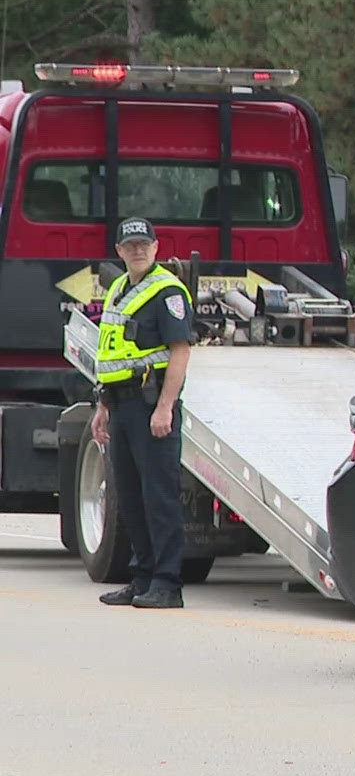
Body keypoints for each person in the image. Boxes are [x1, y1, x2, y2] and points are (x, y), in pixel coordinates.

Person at [89, 217, 194, 609]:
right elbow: (111, 353)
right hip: (120, 404)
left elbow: (180, 351)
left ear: (156, 247)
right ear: (118, 250)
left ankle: (167, 584)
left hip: (151, 405)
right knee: (131, 498)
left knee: (159, 498)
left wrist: (165, 407)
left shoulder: (168, 291)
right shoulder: (118, 289)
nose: (137, 250)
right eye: (130, 245)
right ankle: (143, 577)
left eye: (144, 244)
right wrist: (102, 406)